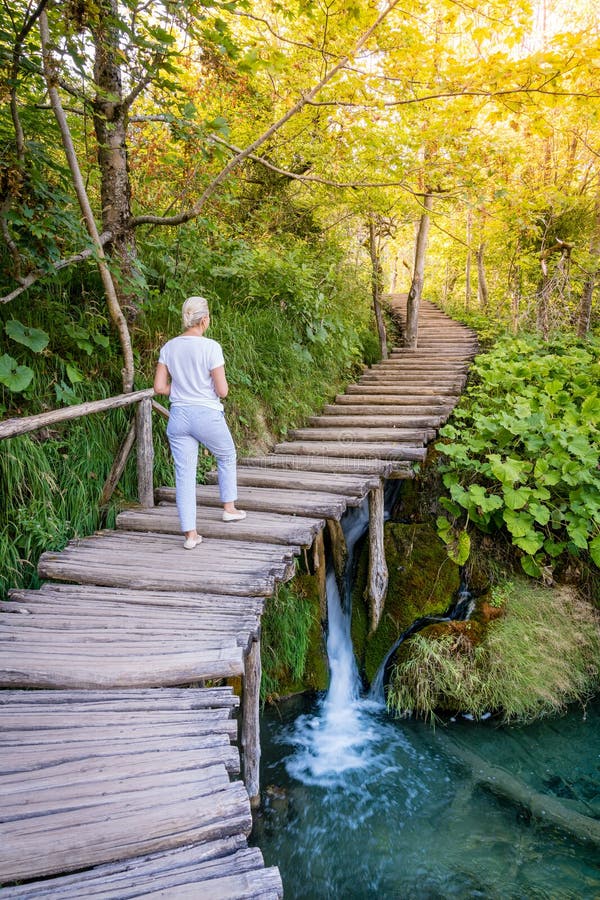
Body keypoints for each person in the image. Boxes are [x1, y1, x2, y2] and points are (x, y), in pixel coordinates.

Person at [154, 296, 246, 549]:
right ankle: (229, 508)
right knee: (226, 455)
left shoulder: (169, 347)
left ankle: (190, 536)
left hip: (179, 417)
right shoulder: (211, 347)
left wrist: (180, 387)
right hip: (206, 414)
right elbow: (223, 390)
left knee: (184, 475)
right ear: (205, 319)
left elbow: (159, 387)